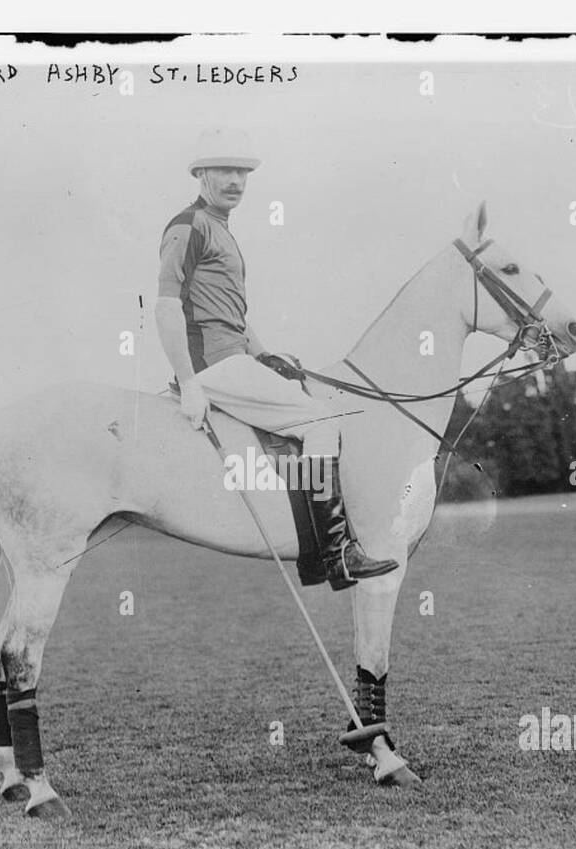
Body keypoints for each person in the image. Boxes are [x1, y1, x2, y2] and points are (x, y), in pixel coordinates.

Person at [154, 128, 398, 590]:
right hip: (213, 366)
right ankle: (338, 553)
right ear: (200, 174)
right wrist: (188, 383)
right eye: (224, 170)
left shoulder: (221, 229)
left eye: (243, 171)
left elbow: (231, 315)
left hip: (232, 357)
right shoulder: (188, 226)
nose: (236, 180)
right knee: (323, 422)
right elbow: (166, 306)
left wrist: (264, 354)